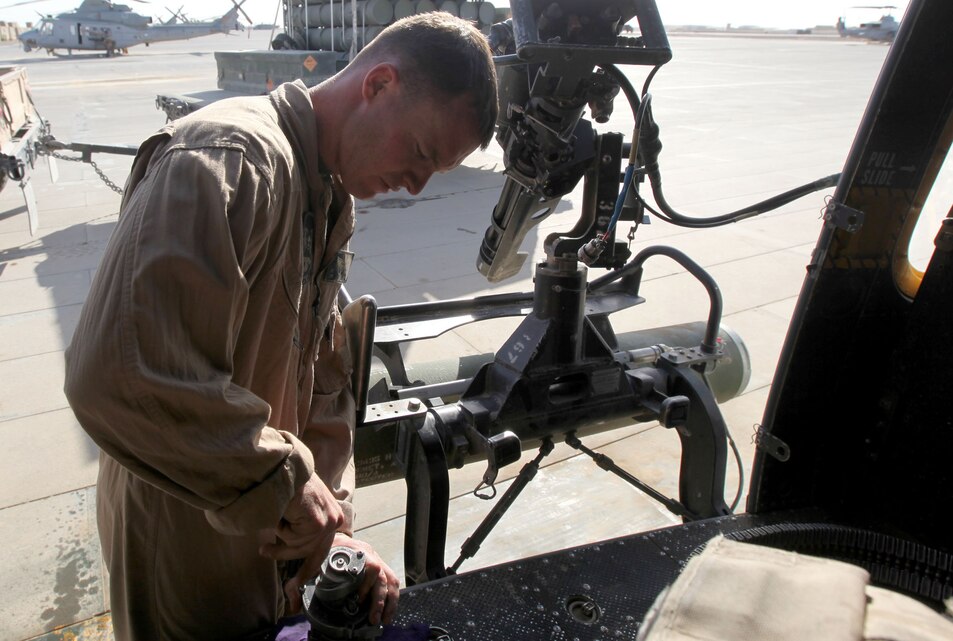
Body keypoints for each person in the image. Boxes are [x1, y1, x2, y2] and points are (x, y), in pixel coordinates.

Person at [64, 12, 498, 641]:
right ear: (378, 84)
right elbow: (119, 374)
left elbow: (319, 381)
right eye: (421, 153)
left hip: (262, 532)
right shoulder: (230, 159)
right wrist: (289, 487)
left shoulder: (326, 191)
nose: (414, 184)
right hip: (186, 541)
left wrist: (332, 541)